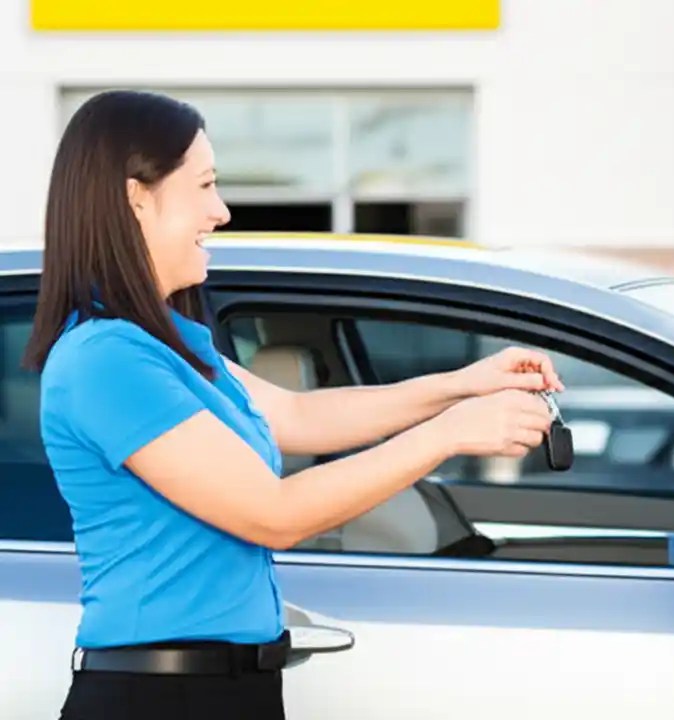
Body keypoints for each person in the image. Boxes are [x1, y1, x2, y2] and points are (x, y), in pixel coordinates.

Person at [25, 89, 564, 720]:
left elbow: (298, 416)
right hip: (160, 697)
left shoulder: (164, 345)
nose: (221, 211)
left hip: (221, 689)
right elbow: (273, 514)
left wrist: (462, 384)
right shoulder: (107, 360)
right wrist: (448, 434)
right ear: (136, 198)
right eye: (205, 186)